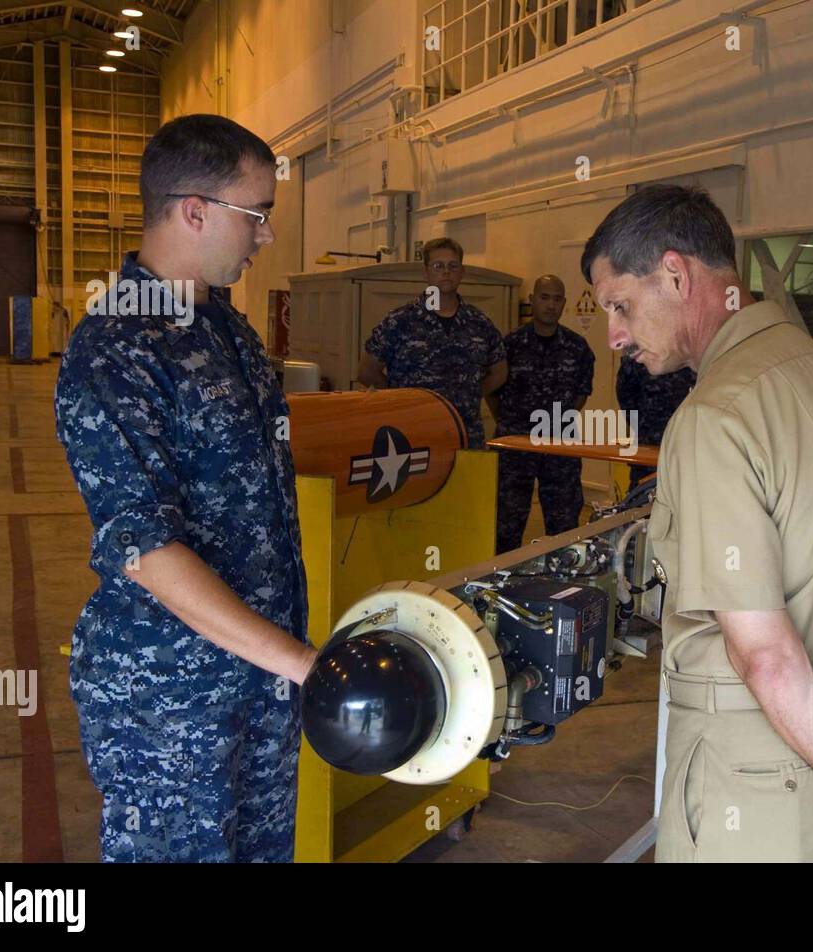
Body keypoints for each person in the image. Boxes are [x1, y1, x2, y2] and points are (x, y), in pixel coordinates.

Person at [583, 184, 813, 862]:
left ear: (676, 273)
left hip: (747, 784)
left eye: (620, 305)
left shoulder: (715, 417)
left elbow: (765, 655)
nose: (614, 336)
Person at [55, 114, 317, 862]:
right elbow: (143, 546)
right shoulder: (117, 346)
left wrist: (285, 665)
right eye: (258, 213)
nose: (265, 235)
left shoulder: (226, 330)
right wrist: (302, 663)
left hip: (259, 680)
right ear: (195, 210)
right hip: (168, 697)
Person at [357, 237, 507, 448]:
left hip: (465, 436)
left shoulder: (479, 323)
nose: (446, 272)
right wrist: (401, 397)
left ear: (461, 272)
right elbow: (366, 371)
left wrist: (469, 393)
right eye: (438, 266)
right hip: (413, 436)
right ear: (425, 272)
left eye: (452, 266)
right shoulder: (400, 321)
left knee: (468, 482)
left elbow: (500, 372)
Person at [489, 275, 595, 553]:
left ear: (564, 304)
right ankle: (503, 583)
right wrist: (510, 424)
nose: (550, 305)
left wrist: (558, 423)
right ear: (533, 300)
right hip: (516, 446)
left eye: (557, 298)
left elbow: (582, 392)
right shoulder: (510, 345)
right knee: (506, 526)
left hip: (559, 446)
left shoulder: (577, 347)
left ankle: (560, 584)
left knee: (564, 527)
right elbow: (492, 390)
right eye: (544, 297)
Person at [615, 353, 695, 486]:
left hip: (690, 452)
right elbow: (626, 397)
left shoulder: (700, 354)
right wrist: (645, 427)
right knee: (642, 500)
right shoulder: (640, 354)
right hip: (648, 448)